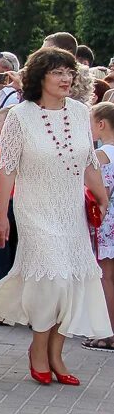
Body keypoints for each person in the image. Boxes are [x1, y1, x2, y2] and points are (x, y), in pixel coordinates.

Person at [0, 47, 113, 385]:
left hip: (71, 210)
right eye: (57, 72)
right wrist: (0, 216)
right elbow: (6, 169)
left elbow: (88, 163)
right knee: (52, 279)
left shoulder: (80, 112)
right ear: (40, 76)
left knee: (73, 280)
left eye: (69, 72)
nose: (66, 78)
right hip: (34, 209)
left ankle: (56, 354)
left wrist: (102, 197)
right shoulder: (20, 116)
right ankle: (38, 350)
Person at [84, 102, 114, 352]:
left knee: (106, 277)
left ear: (101, 124)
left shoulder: (102, 155)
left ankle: (109, 333)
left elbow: (100, 192)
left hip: (107, 221)